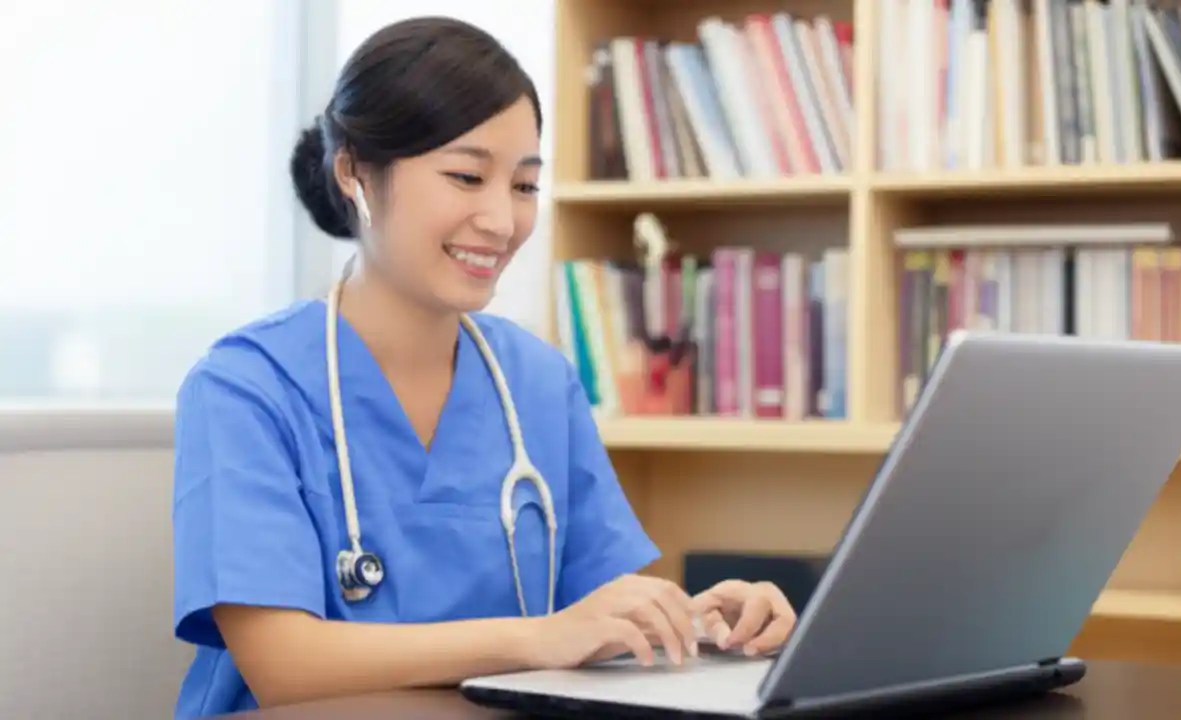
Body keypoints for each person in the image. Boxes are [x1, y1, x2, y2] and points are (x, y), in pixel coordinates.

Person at [169, 15, 796, 719]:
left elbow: (603, 616)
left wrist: (707, 624)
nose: (502, 220)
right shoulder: (247, 389)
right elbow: (285, 665)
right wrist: (536, 639)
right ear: (354, 173)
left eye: (525, 187)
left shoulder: (538, 383)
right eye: (467, 177)